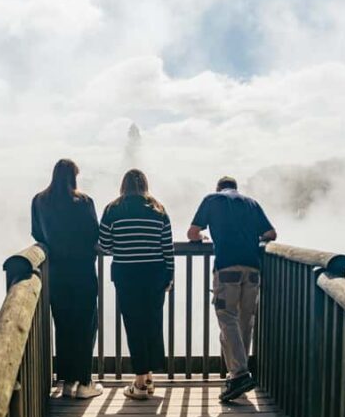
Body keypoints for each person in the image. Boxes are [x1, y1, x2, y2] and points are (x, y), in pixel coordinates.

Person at [187, 176, 277, 402]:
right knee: (245, 321)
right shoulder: (251, 203)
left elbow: (192, 233)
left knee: (227, 317)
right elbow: (270, 234)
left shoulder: (212, 199)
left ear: (219, 188)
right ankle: (238, 374)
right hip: (253, 270)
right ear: (236, 188)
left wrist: (202, 237)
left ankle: (239, 374)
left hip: (227, 268)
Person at [31, 159, 103, 399]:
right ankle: (84, 383)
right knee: (85, 325)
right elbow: (95, 232)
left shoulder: (39, 200)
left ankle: (66, 383)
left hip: (57, 273)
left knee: (63, 327)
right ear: (74, 176)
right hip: (82, 271)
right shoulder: (84, 202)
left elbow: (36, 233)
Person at [99, 169, 174, 400]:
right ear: (145, 185)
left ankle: (140, 384)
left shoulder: (113, 209)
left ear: (123, 185)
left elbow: (104, 243)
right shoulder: (158, 209)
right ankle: (149, 376)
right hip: (155, 273)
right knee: (153, 323)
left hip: (127, 274)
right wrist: (169, 275)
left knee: (134, 325)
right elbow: (167, 247)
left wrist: (121, 249)